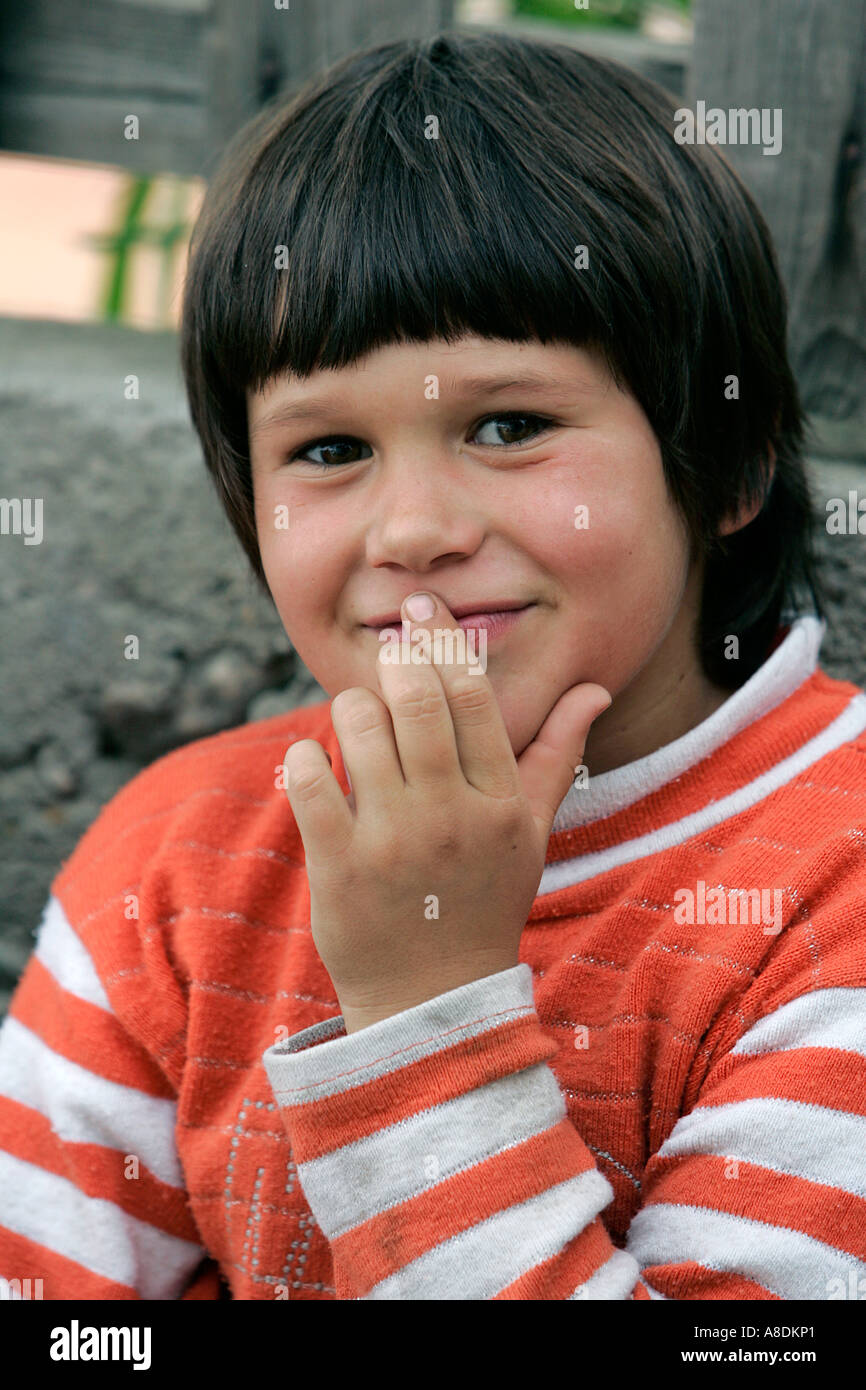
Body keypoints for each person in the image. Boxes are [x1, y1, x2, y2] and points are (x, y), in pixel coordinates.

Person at [1, 29, 864, 1302]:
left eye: (508, 426)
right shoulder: (173, 871)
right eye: (328, 449)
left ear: (728, 466)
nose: (412, 530)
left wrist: (425, 1010)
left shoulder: (830, 896)